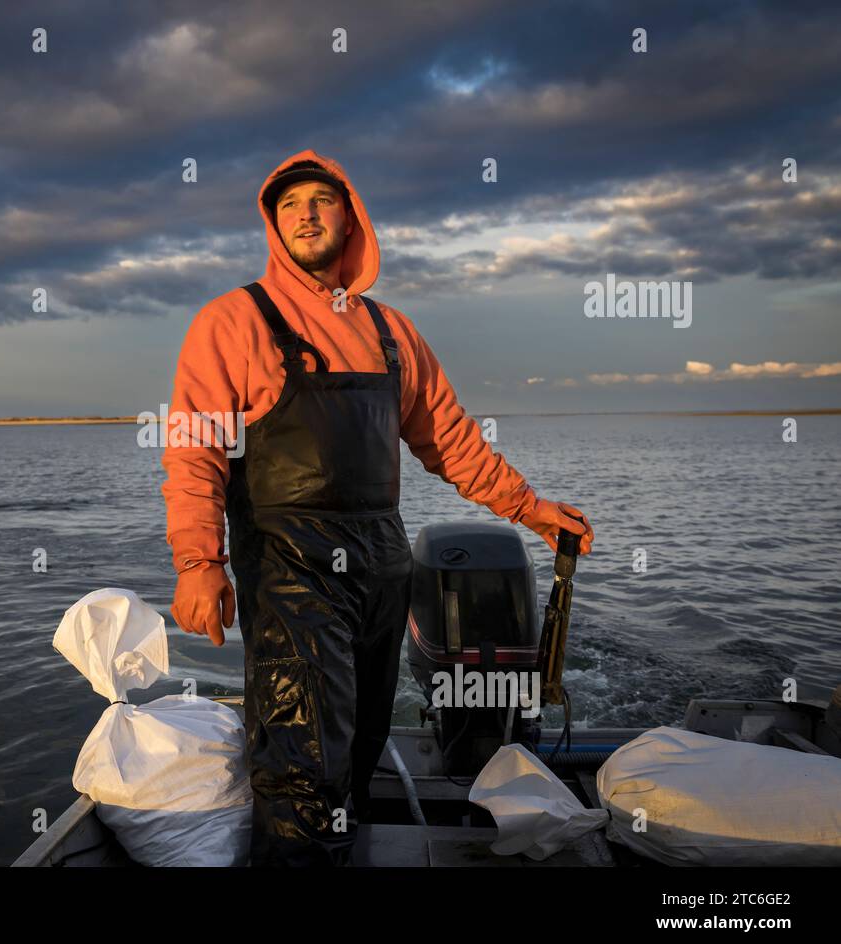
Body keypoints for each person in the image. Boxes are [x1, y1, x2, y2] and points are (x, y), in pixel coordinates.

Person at [161, 149, 593, 866]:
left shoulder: (392, 333)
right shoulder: (233, 320)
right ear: (273, 223)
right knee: (304, 763)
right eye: (290, 202)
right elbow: (193, 449)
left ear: (350, 216)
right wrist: (197, 561)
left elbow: (452, 440)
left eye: (321, 200)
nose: (305, 212)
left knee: (358, 748)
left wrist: (533, 508)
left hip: (383, 571)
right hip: (290, 574)